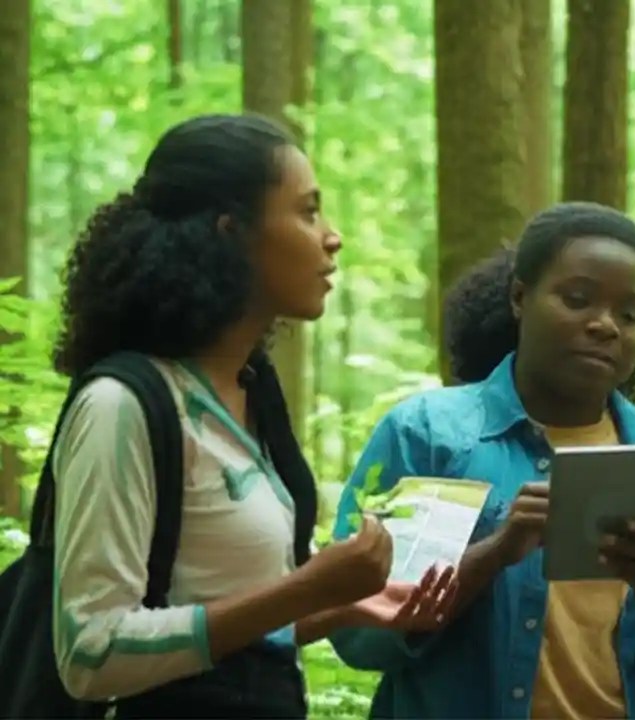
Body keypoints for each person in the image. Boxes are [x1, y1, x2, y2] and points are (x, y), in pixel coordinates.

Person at [49, 113, 454, 718]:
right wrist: (307, 587)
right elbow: (90, 652)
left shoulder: (250, 395)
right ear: (231, 232)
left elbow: (229, 631)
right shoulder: (124, 405)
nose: (332, 236)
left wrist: (342, 605)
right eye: (308, 211)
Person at [329, 201, 635, 719]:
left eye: (630, 314)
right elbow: (357, 634)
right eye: (577, 299)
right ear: (520, 298)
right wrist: (496, 552)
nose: (605, 326)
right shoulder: (429, 435)